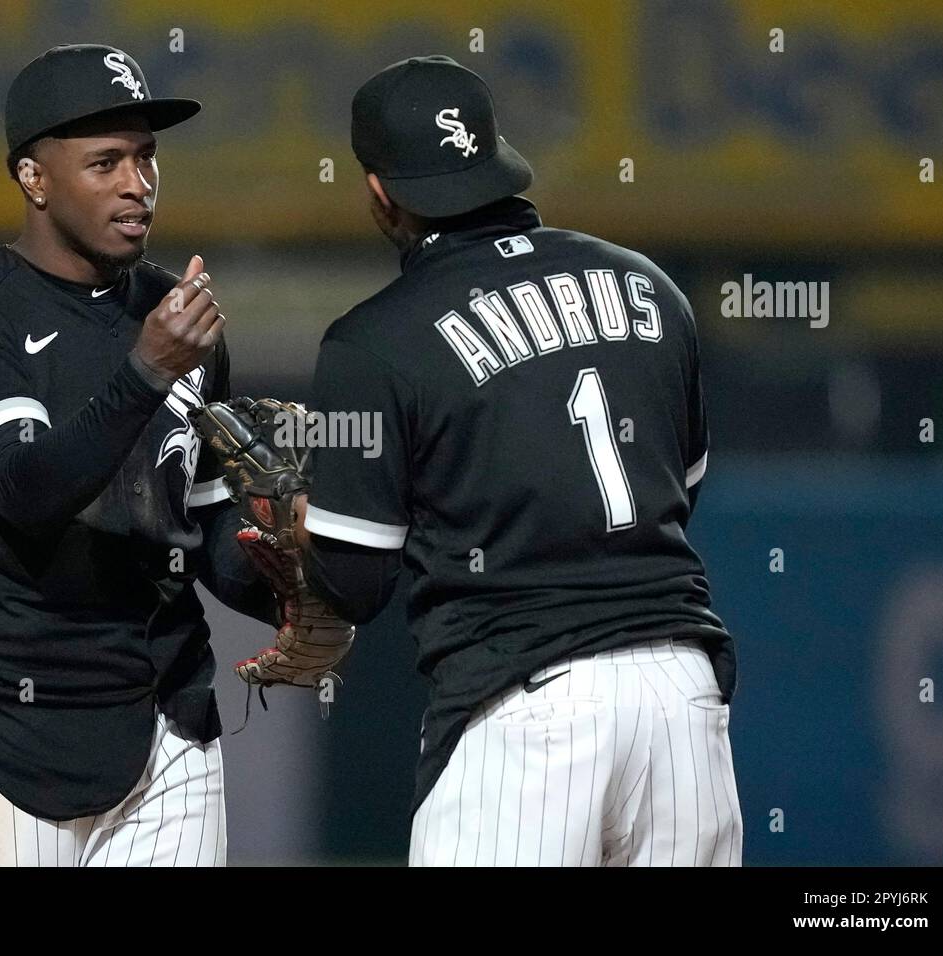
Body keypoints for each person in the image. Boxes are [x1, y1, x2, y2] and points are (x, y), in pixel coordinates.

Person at [296, 55, 743, 866]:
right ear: (495, 155)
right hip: (682, 696)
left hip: (529, 711)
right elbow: (679, 491)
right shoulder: (647, 286)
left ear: (378, 190)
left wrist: (303, 525)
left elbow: (355, 583)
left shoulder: (372, 342)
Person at [0, 44, 273, 867]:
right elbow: (27, 488)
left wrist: (299, 578)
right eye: (105, 162)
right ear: (34, 179)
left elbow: (203, 531)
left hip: (167, 714)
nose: (138, 183)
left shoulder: (179, 319)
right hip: (5, 724)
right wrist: (146, 371)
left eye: (146, 157)